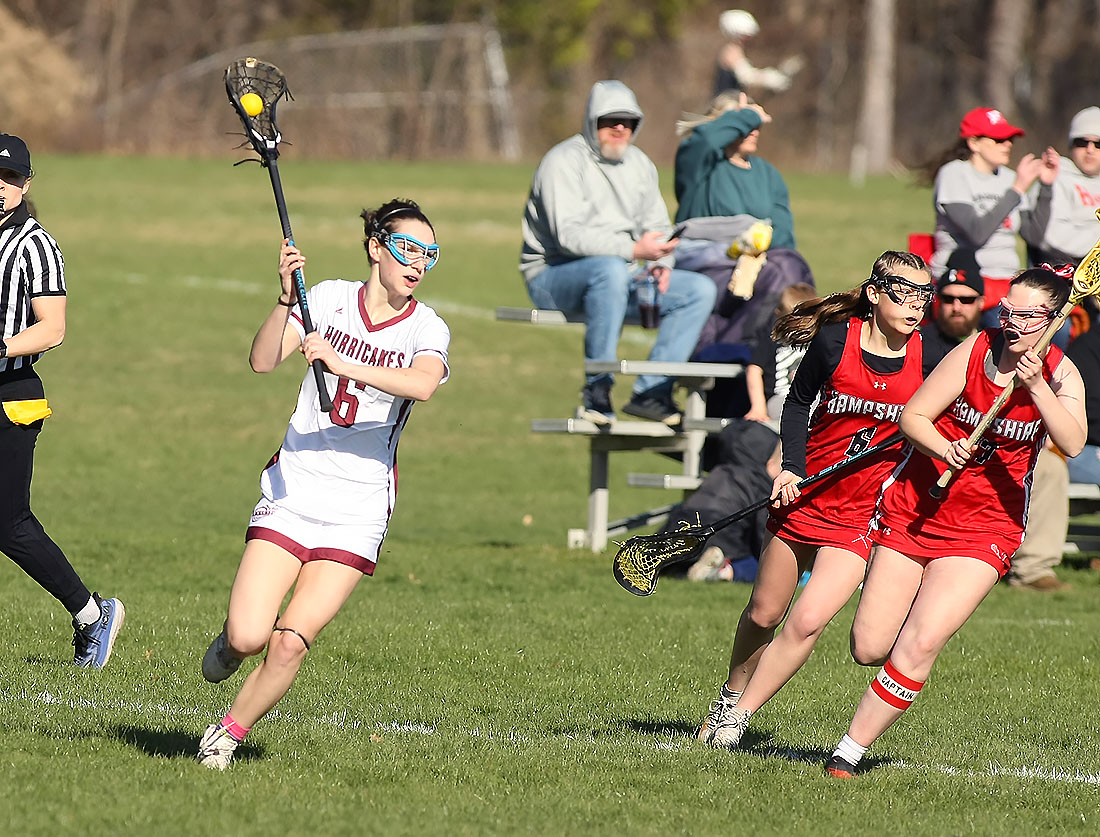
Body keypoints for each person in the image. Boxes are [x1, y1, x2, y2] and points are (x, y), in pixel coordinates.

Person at [196, 198, 450, 770]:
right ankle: (232, 644)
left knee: (290, 642)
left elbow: (423, 384)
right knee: (247, 637)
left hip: (358, 509)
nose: (418, 263)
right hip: (294, 491)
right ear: (375, 249)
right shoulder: (327, 299)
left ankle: (227, 735)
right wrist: (287, 299)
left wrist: (343, 364)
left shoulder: (429, 327)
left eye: (429, 254)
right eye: (408, 249)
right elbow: (263, 361)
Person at [825, 267, 1086, 778]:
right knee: (869, 645)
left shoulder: (1060, 373)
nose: (1010, 321)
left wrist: (1037, 388)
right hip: (917, 510)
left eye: (1027, 315)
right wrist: (947, 449)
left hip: (987, 527)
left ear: (1051, 319)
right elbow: (912, 416)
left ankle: (849, 751)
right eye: (1006, 309)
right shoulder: (974, 350)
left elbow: (1073, 442)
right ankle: (898, 659)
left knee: (921, 641)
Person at [697, 251, 946, 749]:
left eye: (924, 294)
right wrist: (792, 464)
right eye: (904, 291)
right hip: (807, 496)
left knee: (806, 622)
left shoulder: (931, 356)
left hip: (863, 513)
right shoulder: (835, 342)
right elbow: (795, 403)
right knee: (763, 614)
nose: (916, 303)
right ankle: (731, 692)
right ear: (875, 294)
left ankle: (736, 719)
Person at [520, 80, 717, 426]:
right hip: (552, 276)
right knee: (608, 270)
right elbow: (568, 236)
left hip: (618, 275)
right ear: (591, 121)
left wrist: (663, 262)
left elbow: (656, 225)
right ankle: (597, 390)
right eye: (610, 120)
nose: (619, 128)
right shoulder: (562, 161)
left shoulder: (640, 165)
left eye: (628, 121)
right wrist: (632, 249)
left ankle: (652, 392)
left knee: (699, 290)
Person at [0, 133, 124, 668]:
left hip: (11, 394)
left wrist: (1, 346)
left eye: (10, 180)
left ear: (25, 185)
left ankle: (93, 614)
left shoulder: (34, 245)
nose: (0, 188)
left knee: (7, 523)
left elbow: (53, 328)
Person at [672, 92, 815, 361]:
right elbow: (705, 140)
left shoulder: (767, 173)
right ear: (720, 126)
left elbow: (783, 236)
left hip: (759, 270)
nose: (753, 128)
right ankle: (749, 350)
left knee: (790, 265)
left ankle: (776, 354)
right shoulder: (699, 164)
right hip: (708, 267)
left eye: (755, 123)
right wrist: (750, 115)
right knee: (782, 271)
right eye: (740, 121)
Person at [923, 107, 1058, 326]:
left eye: (1010, 139)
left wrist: (1046, 187)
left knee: (1055, 330)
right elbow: (976, 233)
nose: (1008, 145)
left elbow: (1034, 235)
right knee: (1004, 329)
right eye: (998, 139)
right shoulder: (954, 174)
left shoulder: (1009, 178)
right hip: (964, 283)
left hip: (1007, 283)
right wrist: (1017, 190)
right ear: (974, 143)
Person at [1024, 106, 1100, 268]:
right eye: (1082, 142)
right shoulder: (1056, 177)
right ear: (1071, 146)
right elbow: (1052, 237)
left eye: (1098, 144)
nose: (1090, 150)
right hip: (1062, 271)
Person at [713, 9, 803, 98]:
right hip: (725, 104)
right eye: (746, 36)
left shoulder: (734, 50)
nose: (749, 39)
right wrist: (769, 78)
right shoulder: (731, 51)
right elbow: (747, 76)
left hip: (732, 101)